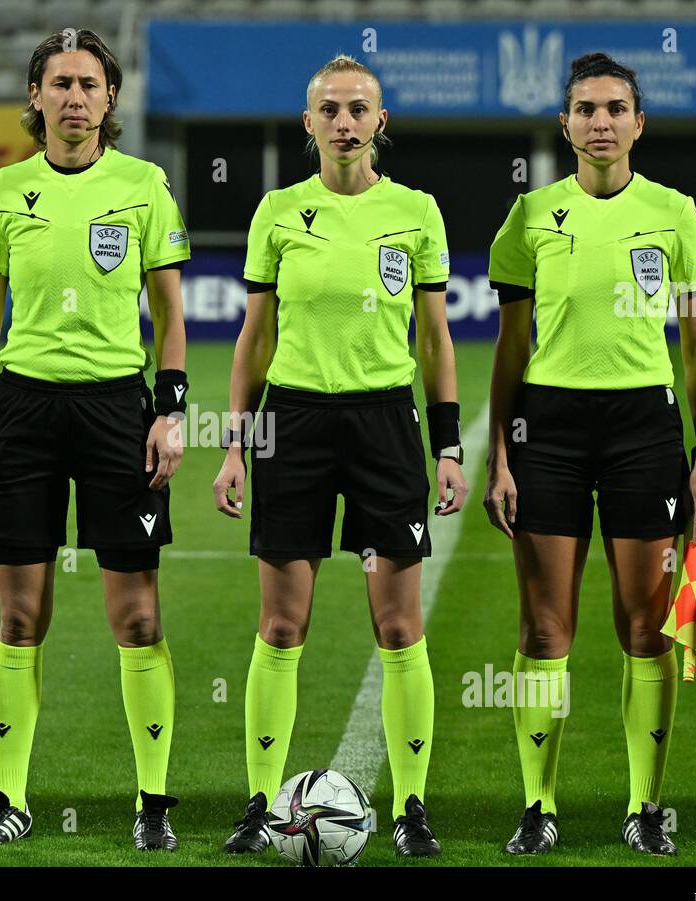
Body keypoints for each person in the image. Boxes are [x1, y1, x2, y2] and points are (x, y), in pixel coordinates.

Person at [214, 54, 467, 858]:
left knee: (399, 625)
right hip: (292, 424)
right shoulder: (278, 212)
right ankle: (260, 803)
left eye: (360, 109)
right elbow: (254, 339)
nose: (346, 122)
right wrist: (234, 447)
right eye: (331, 109)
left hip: (385, 424)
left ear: (380, 122)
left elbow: (434, 340)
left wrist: (449, 446)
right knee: (281, 623)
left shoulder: (417, 212)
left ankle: (412, 807)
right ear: (309, 123)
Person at [0, 29, 190, 851]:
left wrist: (171, 410)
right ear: (36, 96)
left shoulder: (145, 185)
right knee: (20, 617)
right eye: (60, 83)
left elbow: (169, 311)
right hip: (22, 411)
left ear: (110, 100)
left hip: (117, 411)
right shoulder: (3, 190)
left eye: (89, 84)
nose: (75, 98)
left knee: (136, 615)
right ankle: (9, 800)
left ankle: (152, 803)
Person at [484, 53, 696, 856]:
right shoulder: (529, 218)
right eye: (585, 109)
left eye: (615, 108)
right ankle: (537, 806)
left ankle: (644, 809)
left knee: (645, 628)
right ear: (565, 124)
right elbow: (511, 347)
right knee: (545, 629)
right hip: (546, 430)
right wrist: (499, 456)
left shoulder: (676, 214)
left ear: (638, 122)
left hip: (644, 434)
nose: (600, 122)